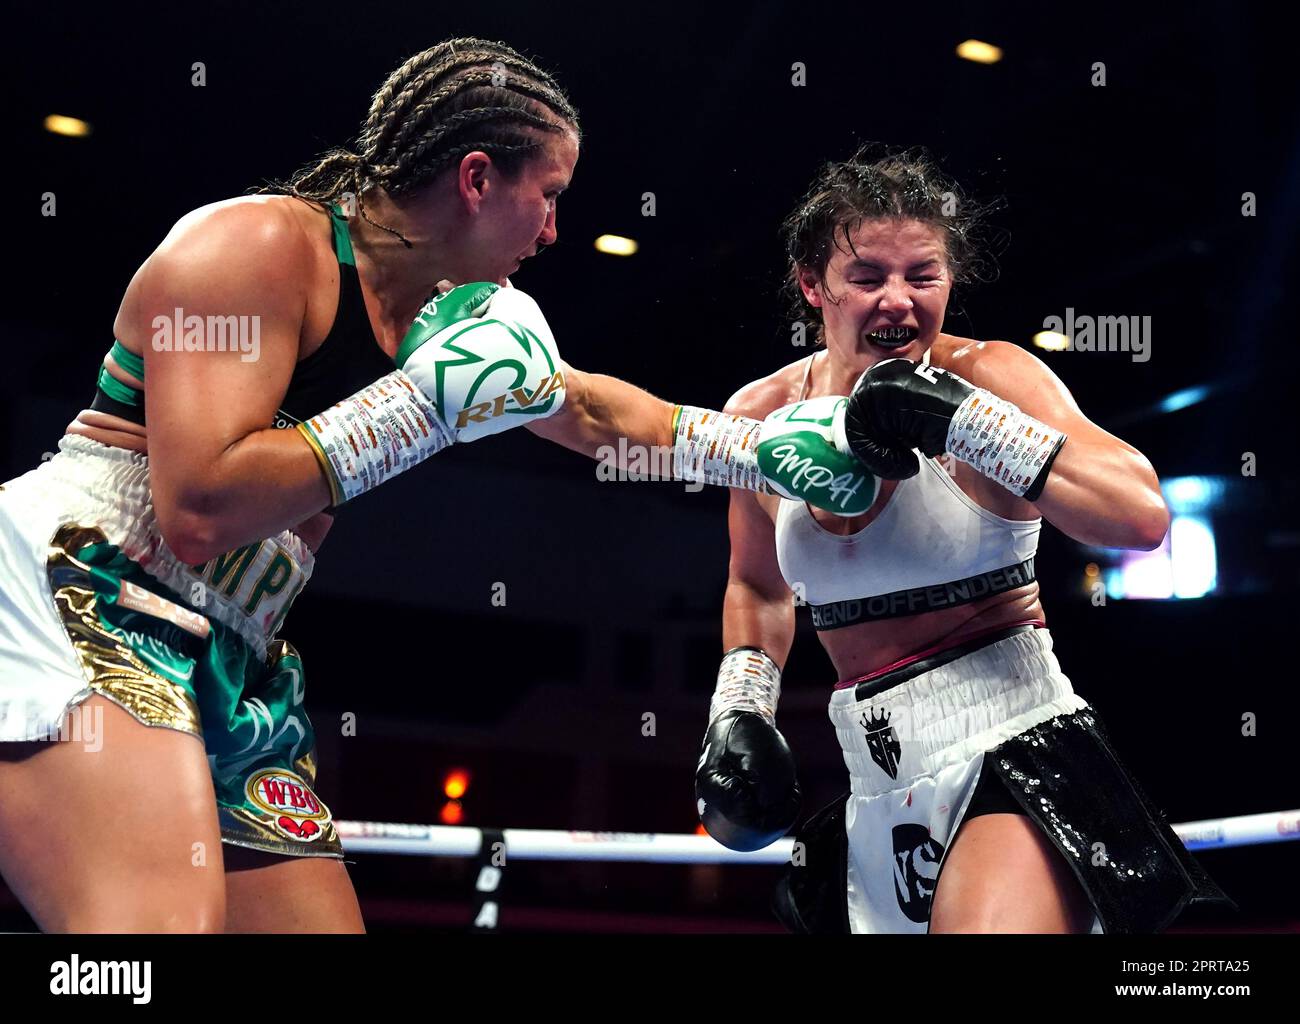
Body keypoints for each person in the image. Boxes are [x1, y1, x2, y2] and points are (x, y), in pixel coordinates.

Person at [0, 38, 872, 933]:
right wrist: (425, 405)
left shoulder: (448, 316)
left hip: (236, 641)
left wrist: (758, 449)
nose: (553, 232)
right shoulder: (258, 245)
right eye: (551, 195)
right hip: (87, 586)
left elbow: (597, 414)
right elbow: (198, 511)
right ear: (478, 177)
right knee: (145, 941)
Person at [694, 148, 1234, 933]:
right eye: (868, 275)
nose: (898, 301)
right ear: (813, 285)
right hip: (873, 767)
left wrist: (967, 423)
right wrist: (741, 708)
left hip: (1012, 743)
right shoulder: (760, 413)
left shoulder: (993, 377)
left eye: (923, 276)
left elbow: (1141, 516)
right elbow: (758, 586)